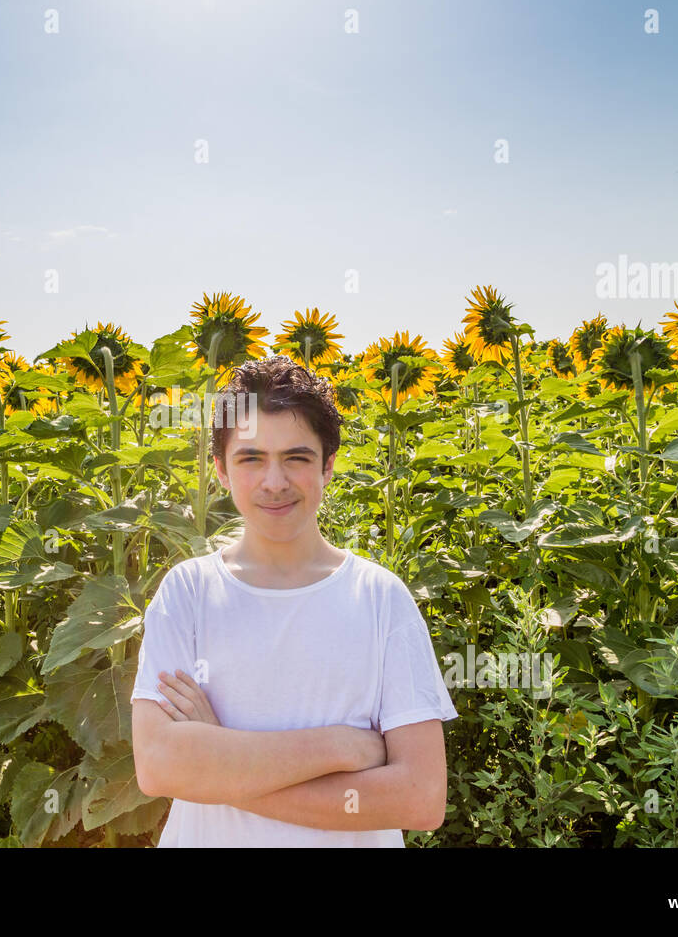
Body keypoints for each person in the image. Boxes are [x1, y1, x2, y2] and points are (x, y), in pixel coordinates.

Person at [130, 355, 457, 846]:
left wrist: (219, 765)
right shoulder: (187, 593)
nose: (274, 482)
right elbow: (158, 767)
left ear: (327, 465)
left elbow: (420, 797)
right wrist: (338, 746)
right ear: (220, 469)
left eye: (297, 458)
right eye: (251, 458)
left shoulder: (380, 597)